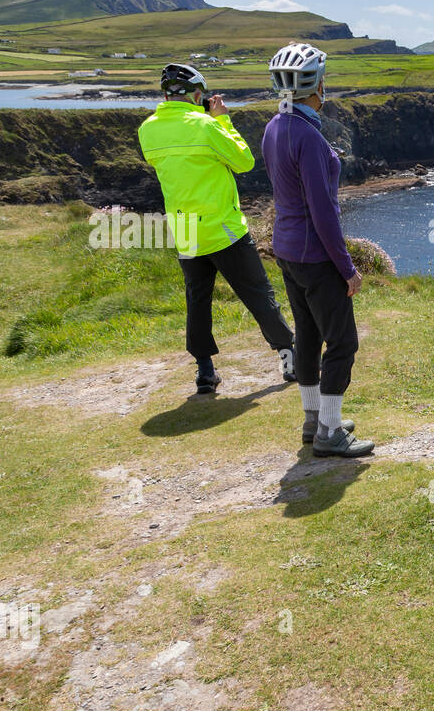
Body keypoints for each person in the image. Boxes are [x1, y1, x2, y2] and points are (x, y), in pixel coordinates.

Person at [138, 63, 296, 395]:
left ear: (165, 94)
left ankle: (205, 372)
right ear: (198, 95)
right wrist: (221, 119)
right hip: (222, 228)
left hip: (185, 231)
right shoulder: (205, 125)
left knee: (198, 300)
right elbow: (244, 161)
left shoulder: (147, 129)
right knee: (258, 294)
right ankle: (289, 358)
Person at [261, 43, 374, 457]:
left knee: (307, 335)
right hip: (315, 255)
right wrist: (347, 269)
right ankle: (330, 433)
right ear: (317, 85)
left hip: (287, 250)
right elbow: (323, 211)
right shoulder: (308, 136)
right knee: (343, 342)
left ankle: (314, 420)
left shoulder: (275, 126)